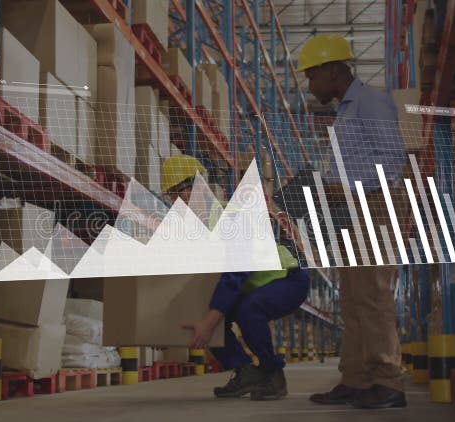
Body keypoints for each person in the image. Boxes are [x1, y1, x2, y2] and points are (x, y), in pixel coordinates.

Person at [290, 34, 408, 409]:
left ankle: (388, 381)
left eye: (312, 77)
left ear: (333, 70)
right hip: (353, 209)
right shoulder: (344, 112)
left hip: (375, 206)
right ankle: (357, 379)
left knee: (372, 295)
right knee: (353, 297)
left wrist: (347, 188)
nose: (310, 86)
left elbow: (393, 161)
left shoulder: (371, 102)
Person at [161, 154, 311, 401]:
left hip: (286, 279)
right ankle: (245, 372)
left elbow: (234, 275)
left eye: (181, 191)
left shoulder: (230, 217)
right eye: (172, 194)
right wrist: (163, 327)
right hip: (252, 286)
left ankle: (273, 375)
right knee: (206, 313)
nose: (178, 200)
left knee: (247, 310)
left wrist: (208, 324)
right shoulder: (193, 230)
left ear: (200, 186)